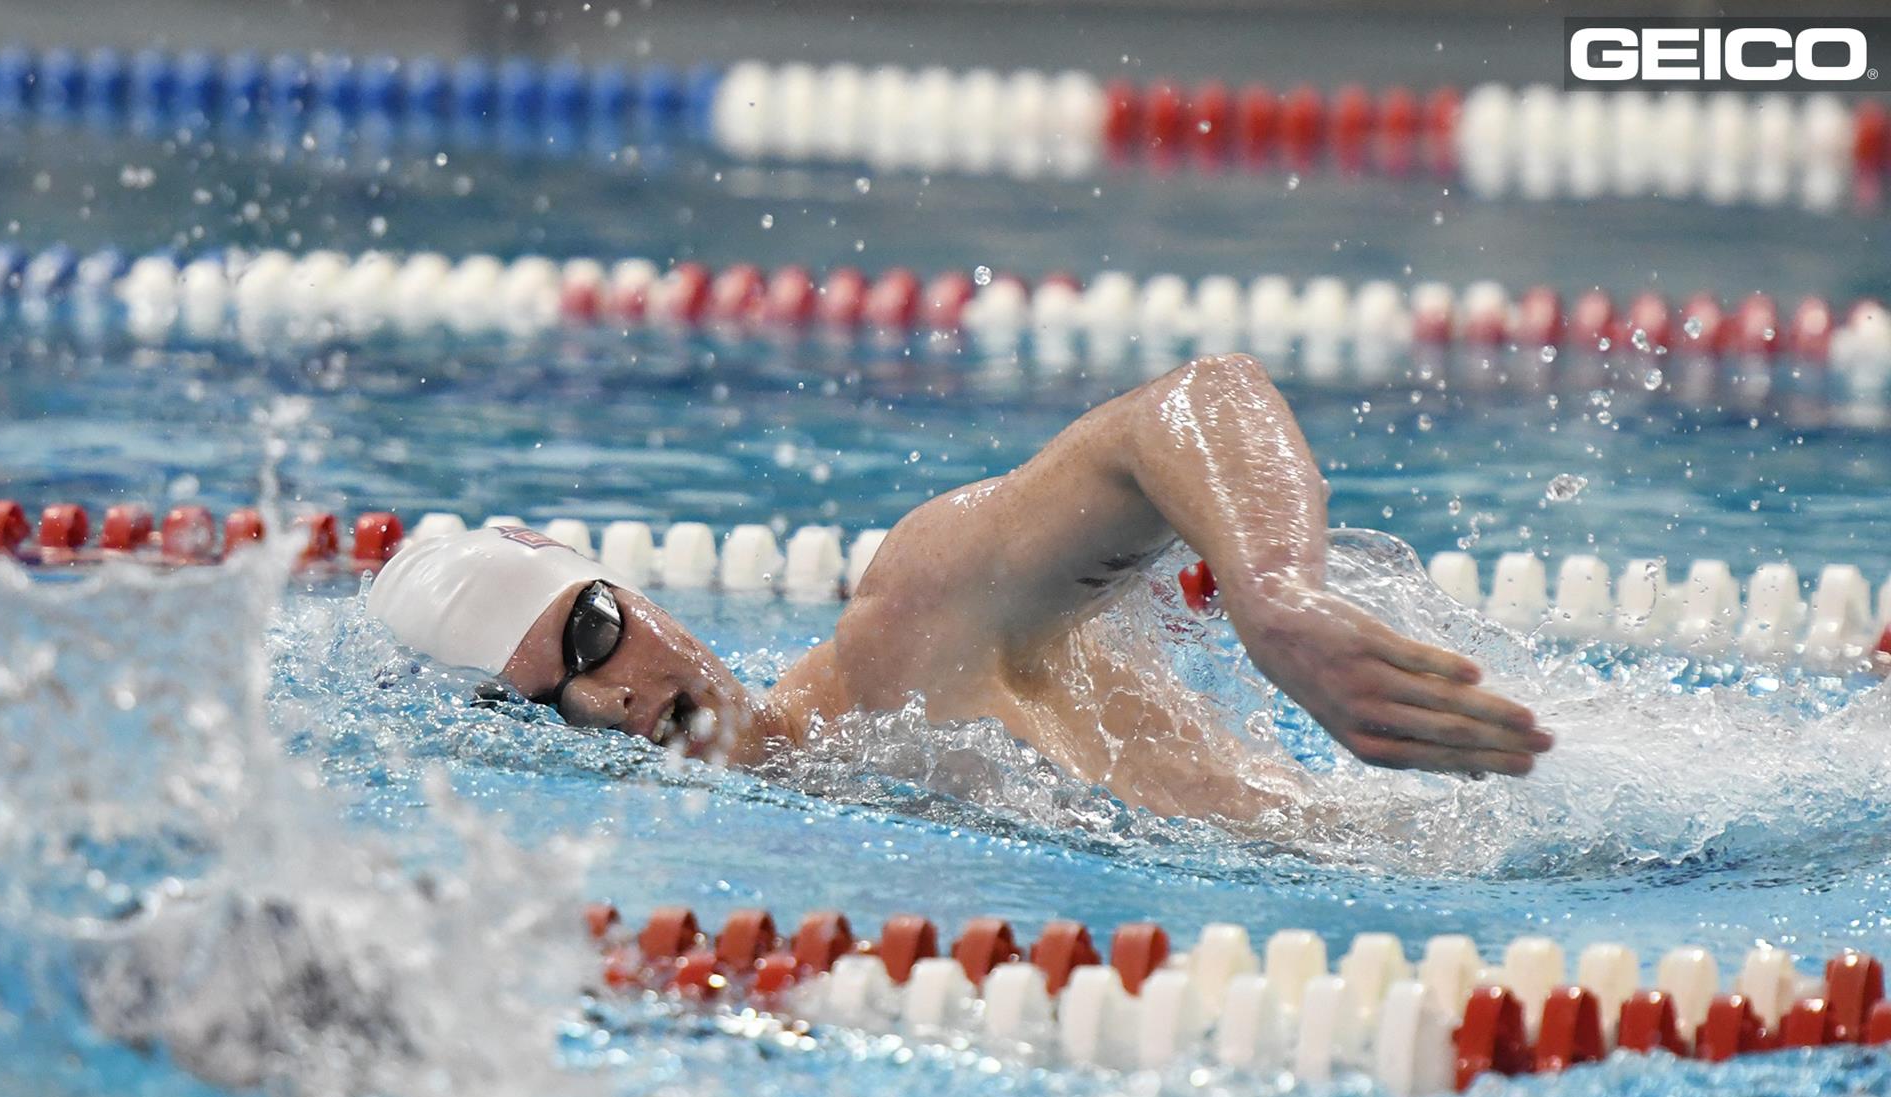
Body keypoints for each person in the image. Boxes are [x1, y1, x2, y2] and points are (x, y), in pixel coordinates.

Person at [368, 354, 1553, 822]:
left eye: (592, 628)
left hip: (1507, 824)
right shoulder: (818, 804)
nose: (615, 699)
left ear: (635, 595)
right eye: (550, 702)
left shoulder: (904, 632)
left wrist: (1275, 594)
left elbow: (1186, 406)